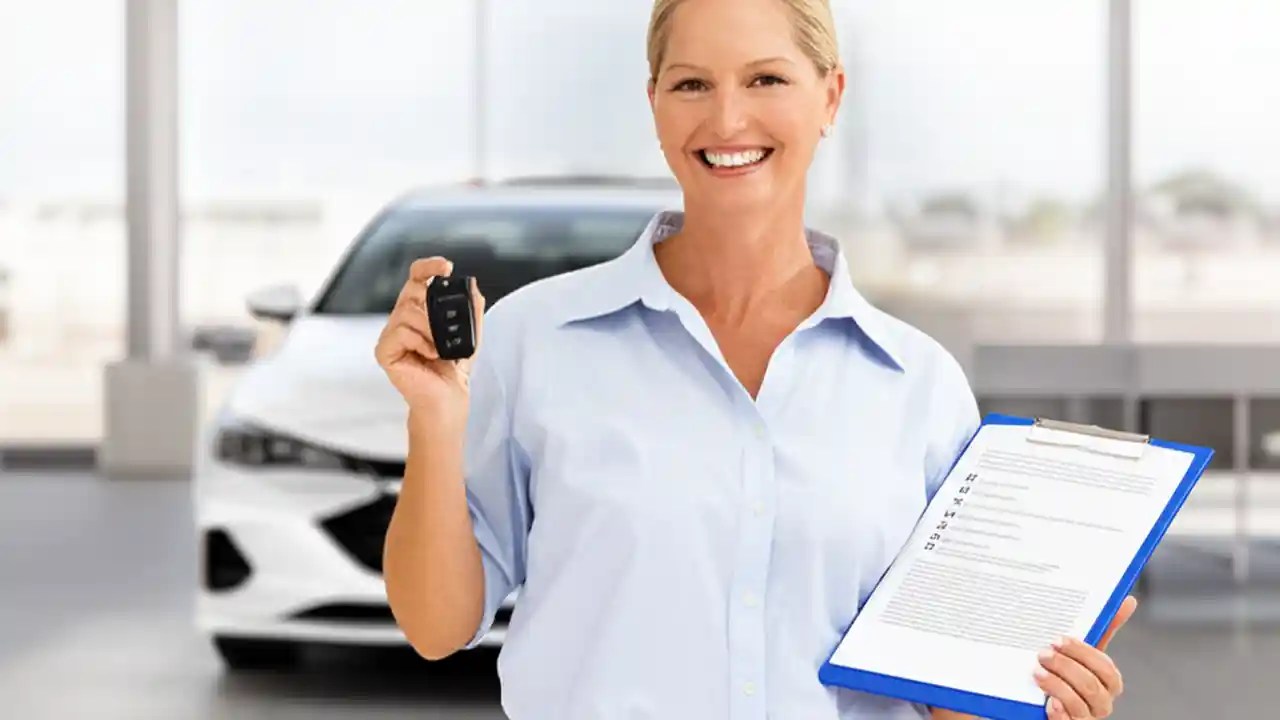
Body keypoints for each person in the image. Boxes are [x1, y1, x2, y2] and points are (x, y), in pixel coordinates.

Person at [376, 0, 1135, 718]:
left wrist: (1035, 691)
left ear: (831, 96)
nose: (727, 118)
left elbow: (942, 696)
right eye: (692, 84)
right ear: (655, 104)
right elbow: (437, 625)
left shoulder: (921, 385)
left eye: (766, 78)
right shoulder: (535, 339)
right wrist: (435, 420)